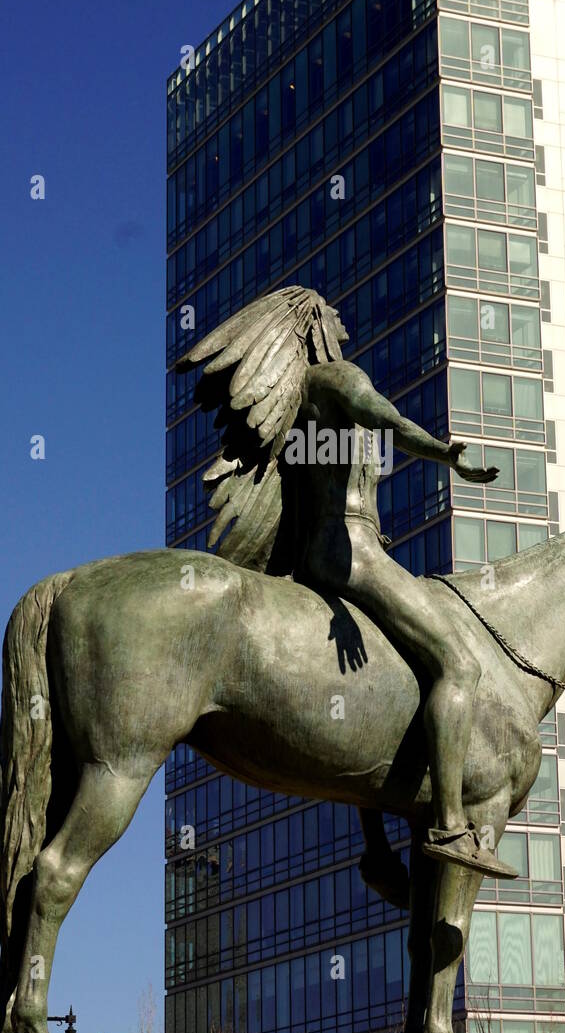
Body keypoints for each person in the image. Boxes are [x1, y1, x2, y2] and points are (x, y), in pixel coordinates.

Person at [177, 286, 515, 876]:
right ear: (312, 323)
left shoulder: (299, 406)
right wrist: (444, 454)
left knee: (373, 693)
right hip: (351, 550)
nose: (342, 322)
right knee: (458, 665)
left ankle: (380, 850)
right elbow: (386, 417)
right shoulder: (335, 381)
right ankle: (449, 824)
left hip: (321, 555)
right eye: (331, 312)